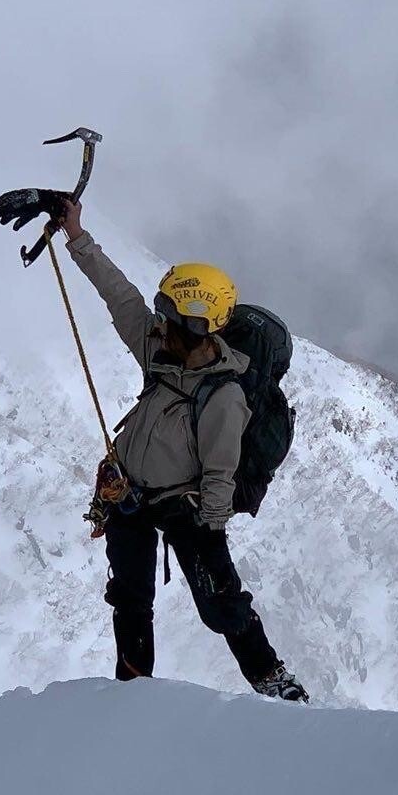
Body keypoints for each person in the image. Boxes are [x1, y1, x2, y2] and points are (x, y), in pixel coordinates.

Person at [57, 199, 308, 702]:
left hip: (185, 507)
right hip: (129, 493)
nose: (158, 323)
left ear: (196, 327)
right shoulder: (162, 352)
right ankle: (132, 694)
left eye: (169, 317)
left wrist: (208, 524)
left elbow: (221, 472)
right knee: (130, 598)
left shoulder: (225, 395)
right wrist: (77, 236)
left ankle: (273, 682)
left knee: (222, 605)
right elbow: (120, 298)